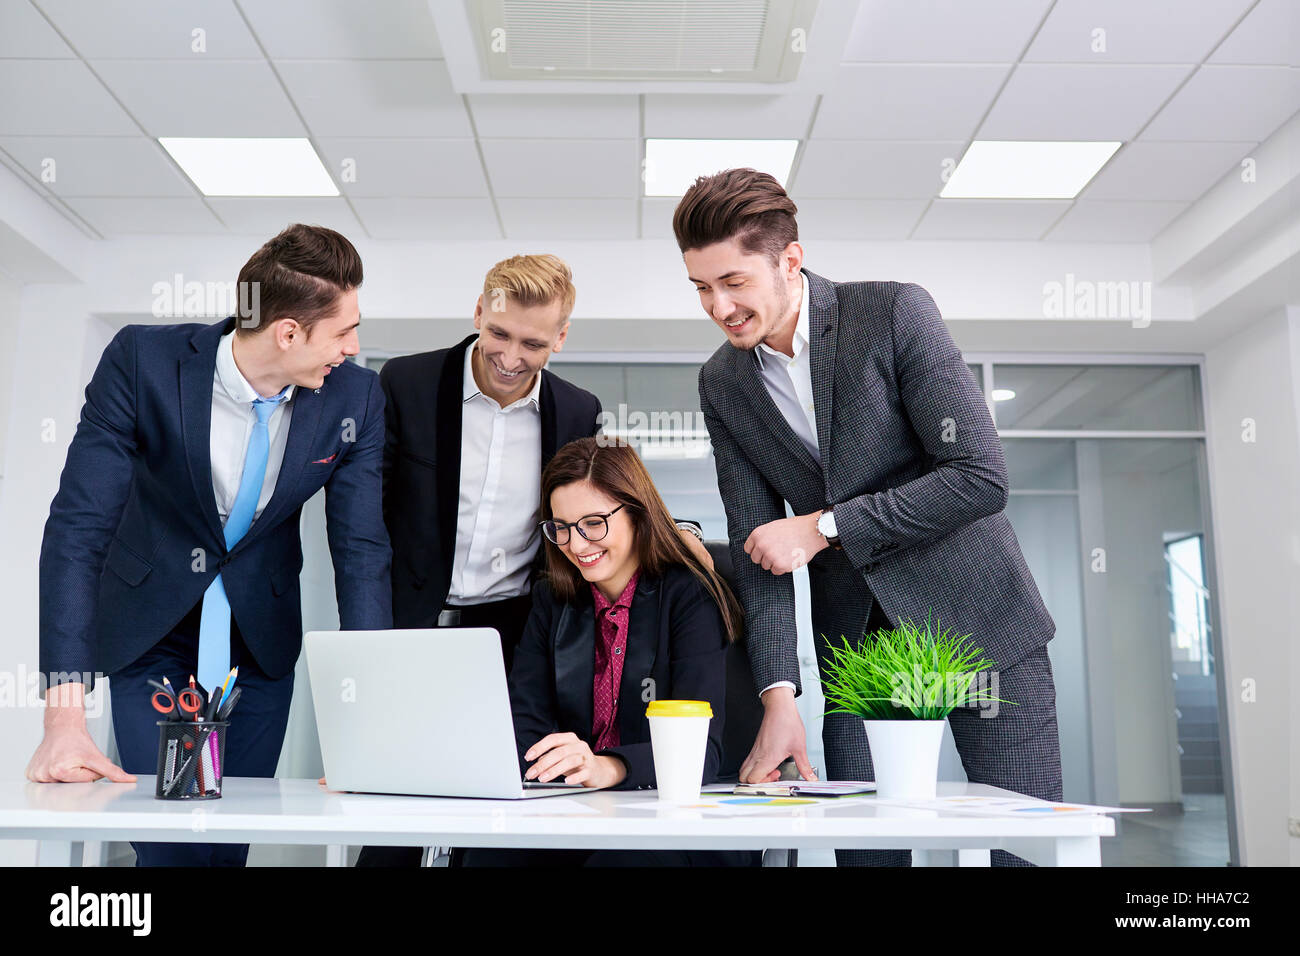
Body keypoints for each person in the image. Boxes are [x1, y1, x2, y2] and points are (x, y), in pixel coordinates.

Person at [675, 168, 1062, 867]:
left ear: (789, 259)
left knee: (1019, 846)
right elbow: (760, 549)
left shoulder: (889, 314)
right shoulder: (723, 383)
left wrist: (824, 526)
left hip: (981, 619)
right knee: (866, 857)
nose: (718, 306)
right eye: (702, 287)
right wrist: (778, 695)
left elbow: (978, 477)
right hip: (861, 650)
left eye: (734, 281)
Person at [27, 224, 392, 867]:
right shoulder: (143, 362)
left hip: (259, 643)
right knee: (171, 844)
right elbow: (78, 529)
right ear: (287, 332)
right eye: (343, 331)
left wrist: (365, 727)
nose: (353, 347)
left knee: (227, 844)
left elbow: (361, 551)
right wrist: (63, 716)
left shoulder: (355, 396)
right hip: (153, 631)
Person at [358, 253, 711, 866]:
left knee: (507, 798)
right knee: (395, 811)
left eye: (533, 343)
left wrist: (675, 529)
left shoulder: (577, 409)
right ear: (478, 312)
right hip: (410, 621)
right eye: (499, 333)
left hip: (513, 622)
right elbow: (364, 519)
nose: (512, 357)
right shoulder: (406, 384)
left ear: (561, 338)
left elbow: (599, 494)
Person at [457, 436, 758, 867]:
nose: (577, 545)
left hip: (679, 816)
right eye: (560, 527)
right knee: (490, 859)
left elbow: (699, 751)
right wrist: (558, 764)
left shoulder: (688, 595)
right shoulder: (553, 600)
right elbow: (526, 722)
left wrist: (609, 766)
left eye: (593, 523)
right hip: (575, 809)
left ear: (636, 513)